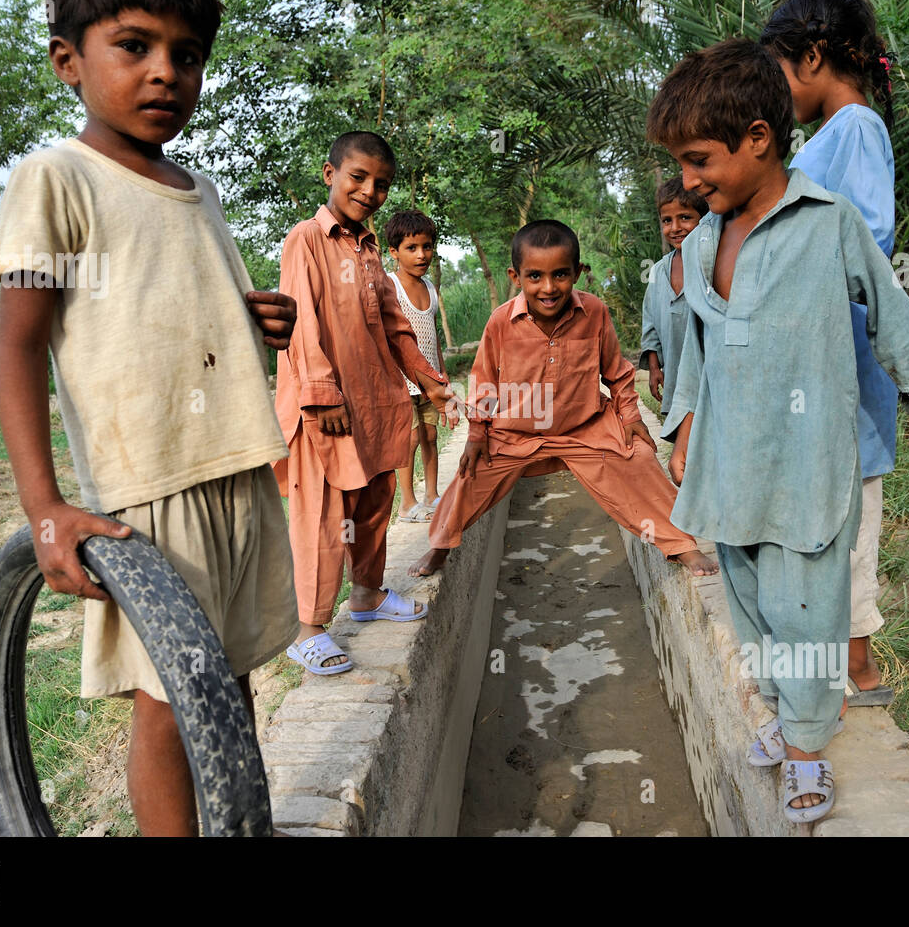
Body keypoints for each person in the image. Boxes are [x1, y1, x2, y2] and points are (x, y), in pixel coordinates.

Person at [0, 0, 299, 837]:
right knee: (170, 705)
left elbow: (182, 306)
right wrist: (45, 507)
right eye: (135, 46)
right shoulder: (57, 179)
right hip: (149, 494)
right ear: (68, 60)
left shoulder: (199, 190)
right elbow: (16, 343)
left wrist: (258, 317)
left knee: (228, 685)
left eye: (188, 55)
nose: (167, 72)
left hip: (238, 466)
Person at [647, 38, 909, 822]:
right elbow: (700, 347)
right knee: (750, 603)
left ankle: (809, 750)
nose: (688, 182)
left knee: (809, 609)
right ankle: (788, 720)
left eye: (698, 159)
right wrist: (683, 429)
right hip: (732, 463)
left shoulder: (828, 222)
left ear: (758, 139)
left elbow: (890, 315)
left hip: (809, 460)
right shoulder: (708, 235)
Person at [408, 220, 720, 580]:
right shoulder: (500, 323)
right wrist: (478, 433)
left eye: (560, 275)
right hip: (516, 432)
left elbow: (616, 372)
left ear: (578, 272)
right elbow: (483, 383)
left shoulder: (594, 312)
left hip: (584, 428)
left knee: (640, 460)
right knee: (469, 476)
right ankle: (441, 546)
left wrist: (631, 417)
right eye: (535, 277)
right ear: (515, 276)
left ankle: (682, 545)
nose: (548, 287)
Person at [273, 131, 459, 676]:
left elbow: (396, 328)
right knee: (326, 516)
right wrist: (319, 395)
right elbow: (300, 320)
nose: (370, 190)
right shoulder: (305, 240)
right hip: (325, 406)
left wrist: (429, 382)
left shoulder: (372, 248)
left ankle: (368, 595)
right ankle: (309, 630)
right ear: (330, 174)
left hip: (377, 403)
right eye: (358, 177)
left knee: (374, 503)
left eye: (381, 184)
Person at [761, 0, 899, 708]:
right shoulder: (828, 139)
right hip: (815, 379)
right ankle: (837, 666)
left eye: (779, 74)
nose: (778, 97)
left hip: (844, 377)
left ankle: (861, 673)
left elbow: (869, 242)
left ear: (812, 58)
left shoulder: (857, 132)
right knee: (826, 525)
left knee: (852, 529)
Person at [385, 209, 446, 523]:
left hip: (430, 382)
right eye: (411, 248)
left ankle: (432, 494)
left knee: (430, 436)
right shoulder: (390, 286)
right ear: (394, 252)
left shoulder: (431, 289)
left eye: (427, 247)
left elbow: (433, 337)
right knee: (408, 439)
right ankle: (407, 504)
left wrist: (442, 375)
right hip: (401, 382)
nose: (421, 255)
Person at [640, 176, 706, 422]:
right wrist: (655, 368)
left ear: (704, 218)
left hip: (706, 378)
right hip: (673, 376)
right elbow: (650, 322)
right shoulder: (658, 272)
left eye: (685, 218)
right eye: (667, 220)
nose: (675, 227)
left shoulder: (711, 265)